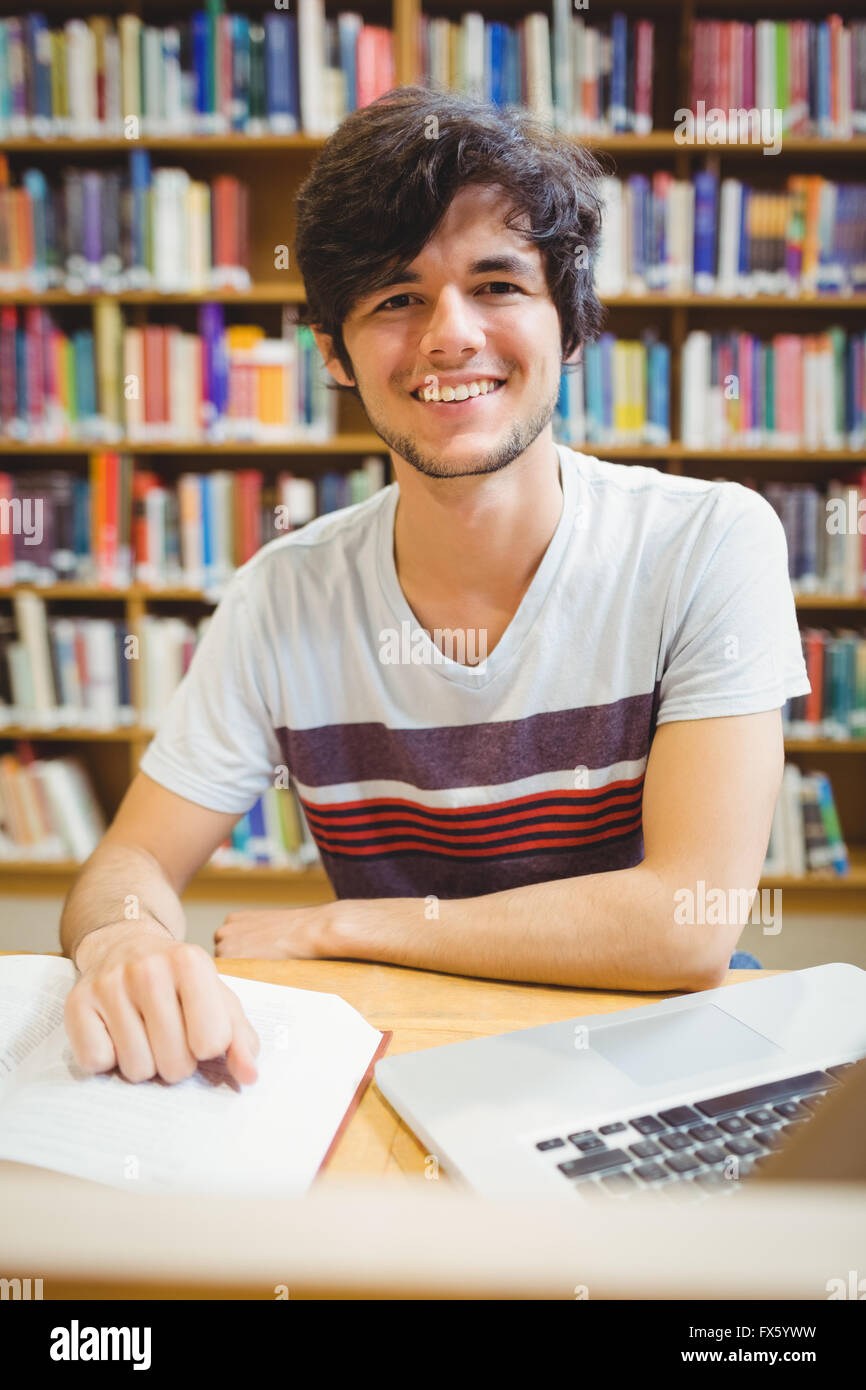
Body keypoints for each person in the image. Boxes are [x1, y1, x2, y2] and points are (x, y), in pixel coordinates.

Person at [60, 86, 810, 1086]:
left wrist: (339, 928)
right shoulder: (283, 596)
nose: (448, 335)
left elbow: (686, 924)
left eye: (496, 284)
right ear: (333, 352)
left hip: (650, 1068)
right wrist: (121, 942)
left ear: (570, 327)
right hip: (402, 1056)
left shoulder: (707, 543)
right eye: (395, 298)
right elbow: (127, 866)